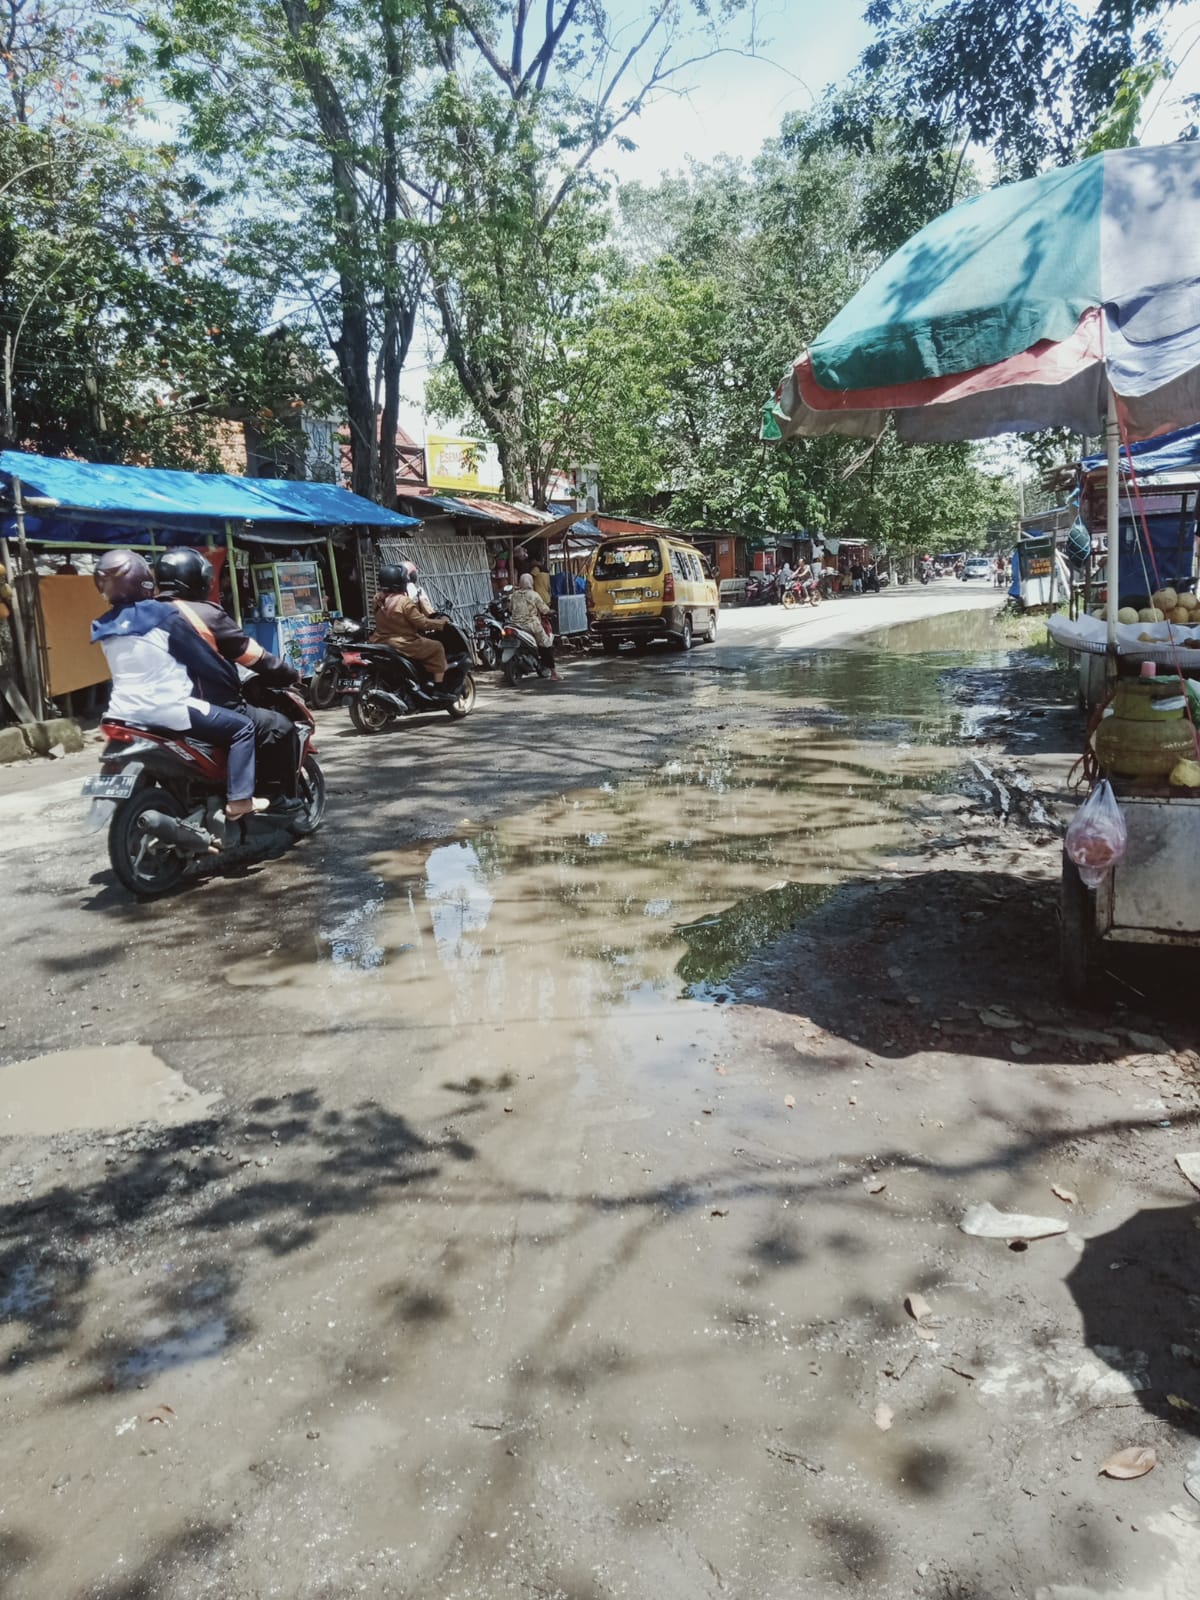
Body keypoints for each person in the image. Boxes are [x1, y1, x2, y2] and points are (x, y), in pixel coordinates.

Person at [90, 549, 264, 819]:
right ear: (143, 578)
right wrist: (231, 680)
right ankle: (240, 799)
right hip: (169, 709)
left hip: (121, 715)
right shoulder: (161, 615)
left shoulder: (104, 625)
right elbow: (204, 659)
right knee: (243, 728)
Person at [154, 549, 303, 806]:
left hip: (151, 706)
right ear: (196, 579)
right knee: (279, 727)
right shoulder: (205, 614)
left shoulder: (146, 612)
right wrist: (289, 674)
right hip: (206, 706)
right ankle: (272, 797)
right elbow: (255, 657)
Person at [370, 560, 450, 687]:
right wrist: (441, 623)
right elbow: (422, 622)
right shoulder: (404, 601)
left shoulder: (377, 599)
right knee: (437, 647)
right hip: (403, 642)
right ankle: (439, 688)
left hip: (379, 640)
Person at [510, 572, 560, 681]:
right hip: (531, 625)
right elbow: (544, 610)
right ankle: (554, 673)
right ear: (531, 582)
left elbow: (510, 609)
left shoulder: (514, 595)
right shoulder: (533, 594)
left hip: (515, 625)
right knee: (545, 644)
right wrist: (552, 611)